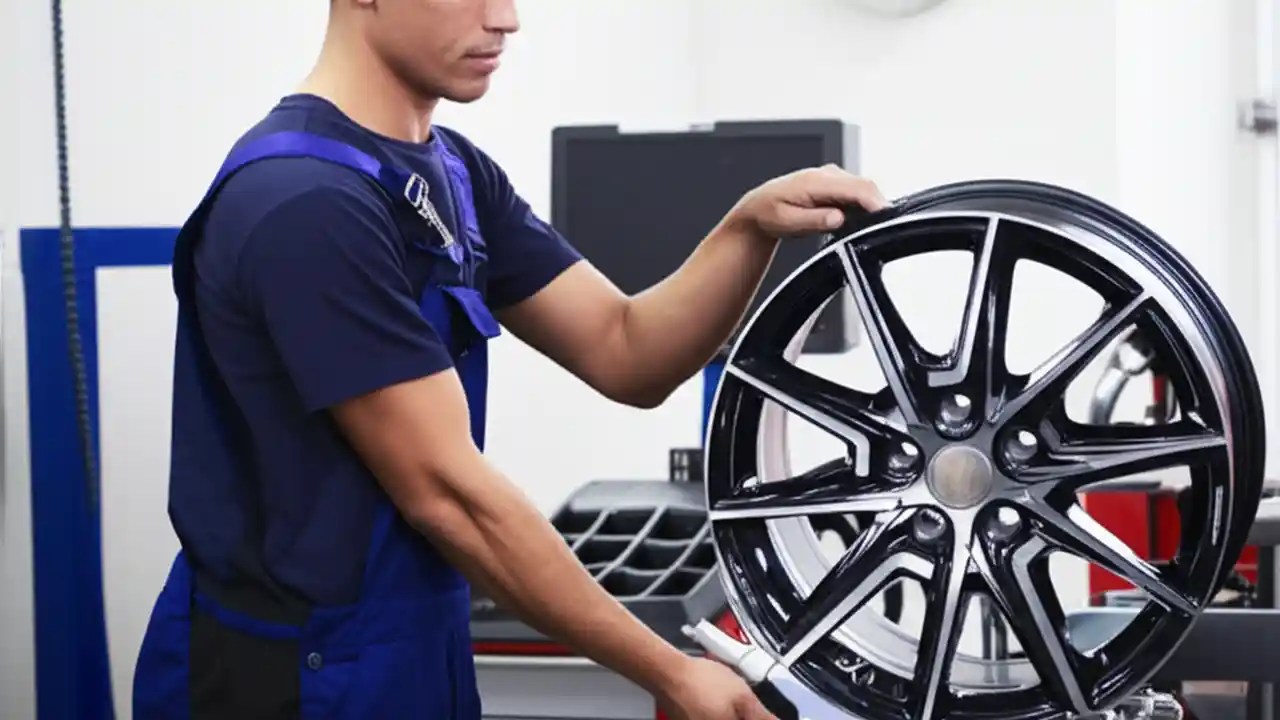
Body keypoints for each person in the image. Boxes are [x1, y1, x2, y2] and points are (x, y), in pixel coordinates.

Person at [132, 0, 888, 718]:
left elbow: (626, 349)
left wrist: (748, 229)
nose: (506, 18)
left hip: (416, 654)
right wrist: (671, 671)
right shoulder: (305, 202)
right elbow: (451, 499)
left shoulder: (452, 174)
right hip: (295, 676)